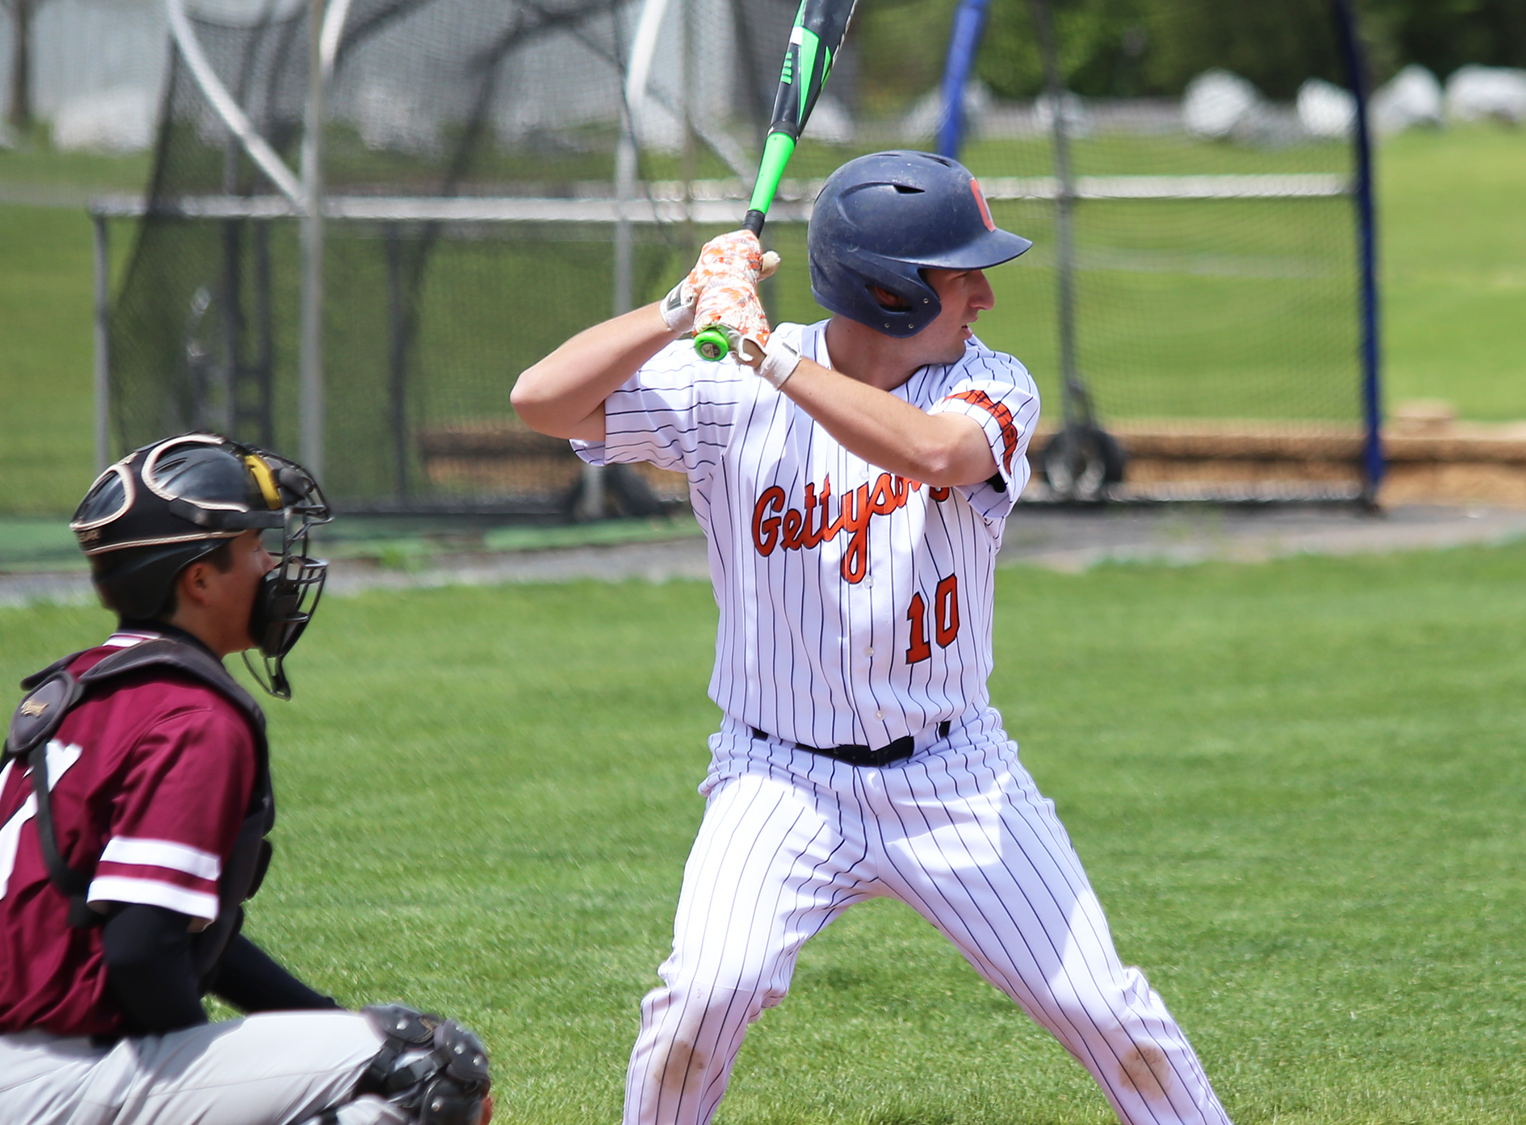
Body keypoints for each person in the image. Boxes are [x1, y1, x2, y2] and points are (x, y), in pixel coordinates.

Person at [511, 150, 1233, 1125]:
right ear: (887, 291)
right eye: (955, 272)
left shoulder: (990, 383)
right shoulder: (724, 385)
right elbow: (539, 400)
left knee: (1105, 1010)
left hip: (955, 782)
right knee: (700, 1000)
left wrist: (766, 355)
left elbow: (935, 453)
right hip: (779, 782)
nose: (981, 294)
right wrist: (682, 305)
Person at [0, 433, 493, 1125]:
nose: (273, 563)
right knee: (431, 1069)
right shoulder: (191, 713)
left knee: (365, 1049)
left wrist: (323, 1025)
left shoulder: (89, 683)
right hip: (44, 1087)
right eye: (253, 546)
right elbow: (140, 950)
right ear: (200, 580)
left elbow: (169, 929)